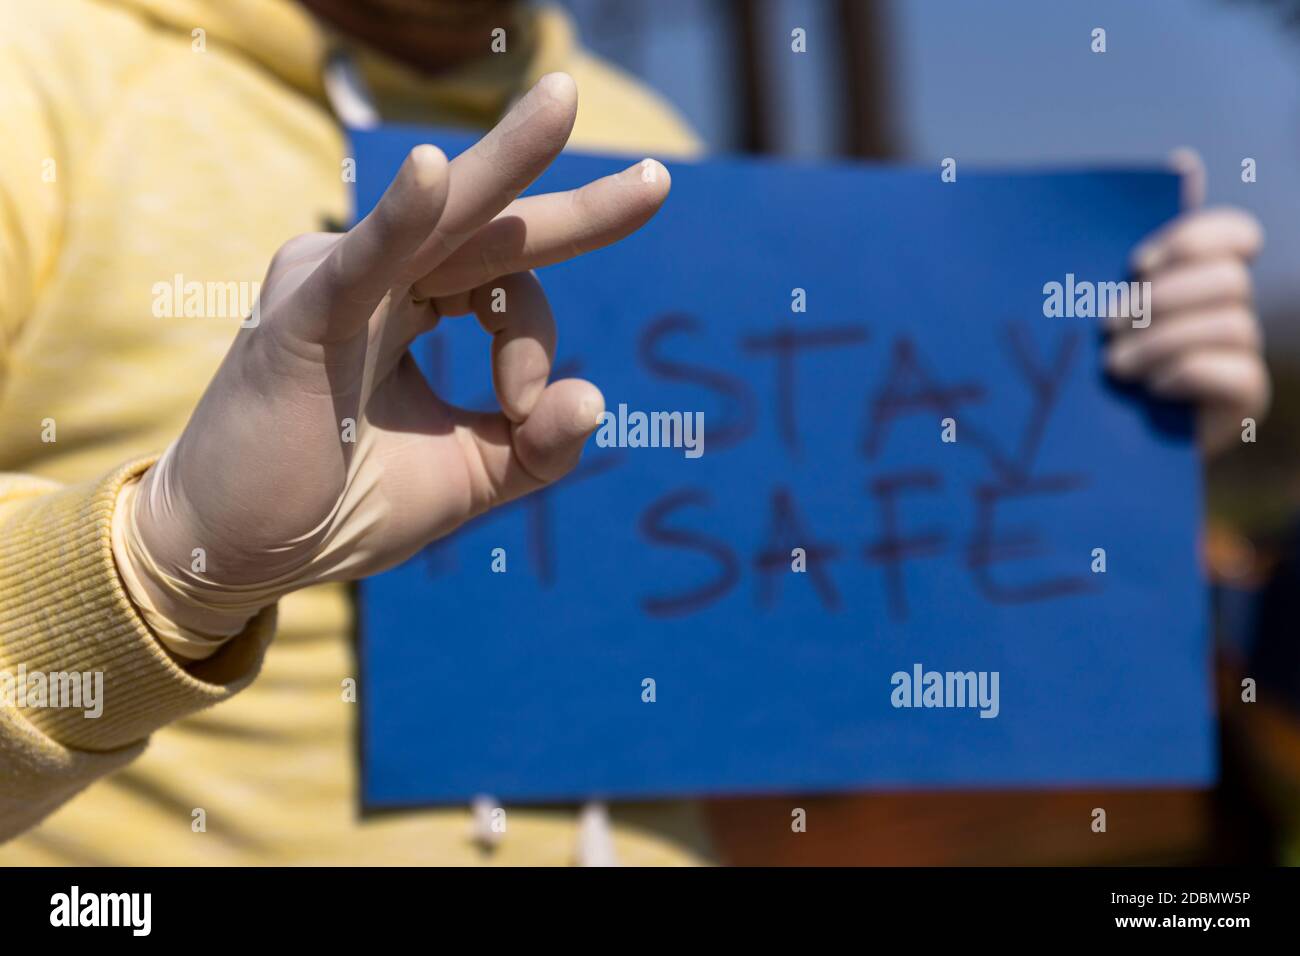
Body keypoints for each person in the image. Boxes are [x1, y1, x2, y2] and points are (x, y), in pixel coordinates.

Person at [0, 0, 1269, 866]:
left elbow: (829, 635)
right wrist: (161, 563)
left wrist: (1113, 458)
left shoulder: (648, 144)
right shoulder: (39, 77)